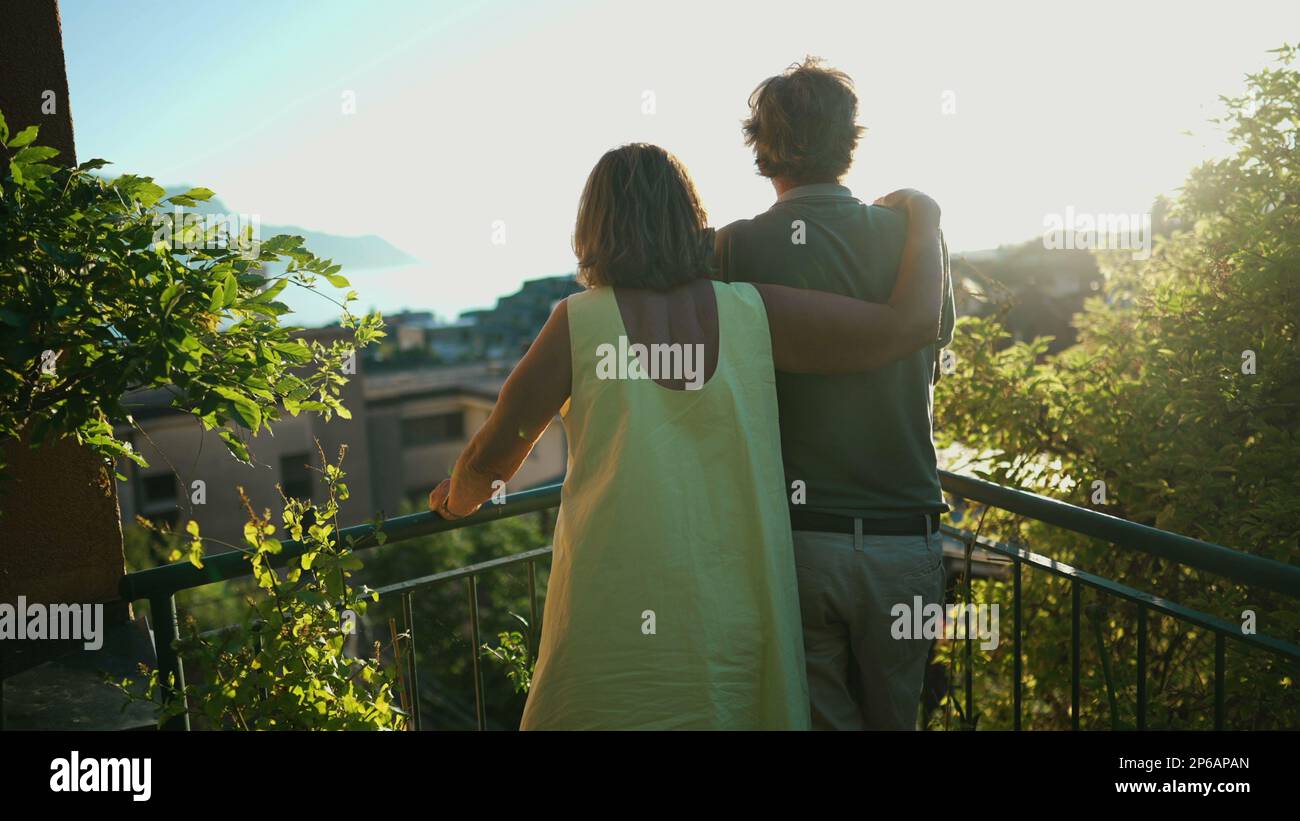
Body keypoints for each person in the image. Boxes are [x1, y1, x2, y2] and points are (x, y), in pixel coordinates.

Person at [428, 142, 943, 730]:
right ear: (690, 217)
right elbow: (904, 328)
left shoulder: (578, 320)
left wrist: (453, 500)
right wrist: (924, 220)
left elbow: (495, 453)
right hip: (738, 600)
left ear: (595, 226)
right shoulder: (754, 310)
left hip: (616, 597)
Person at [714, 58, 957, 730]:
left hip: (795, 542)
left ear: (760, 150)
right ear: (850, 142)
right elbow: (926, 358)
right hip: (903, 534)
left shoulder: (732, 250)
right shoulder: (913, 240)